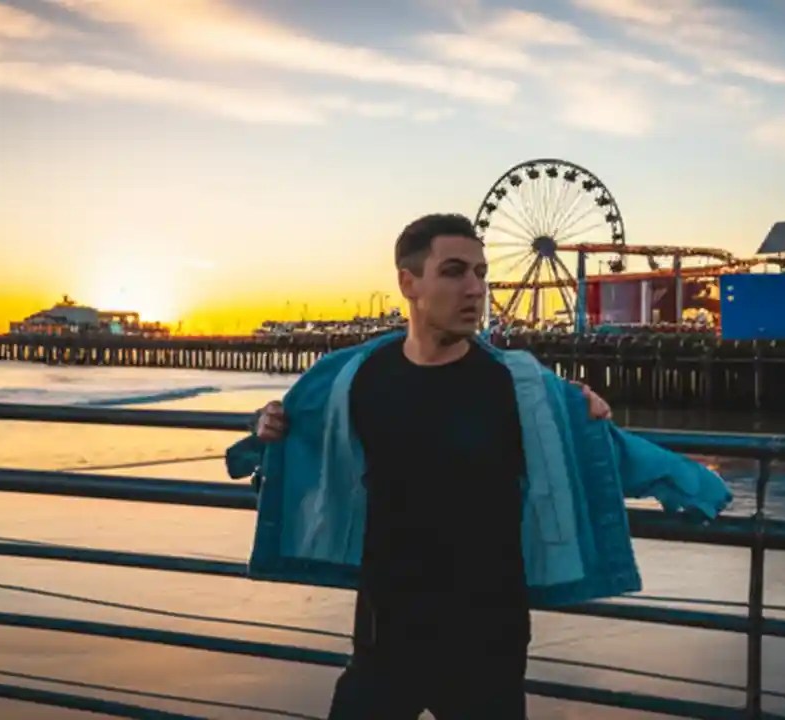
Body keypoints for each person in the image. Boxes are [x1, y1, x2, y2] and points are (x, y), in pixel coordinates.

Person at [252, 213, 610, 718]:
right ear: (408, 282)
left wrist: (587, 415)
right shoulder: (360, 378)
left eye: (481, 274)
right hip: (383, 638)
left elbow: (597, 453)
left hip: (486, 646)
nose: (475, 289)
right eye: (455, 272)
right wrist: (265, 424)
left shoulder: (517, 387)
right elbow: (298, 427)